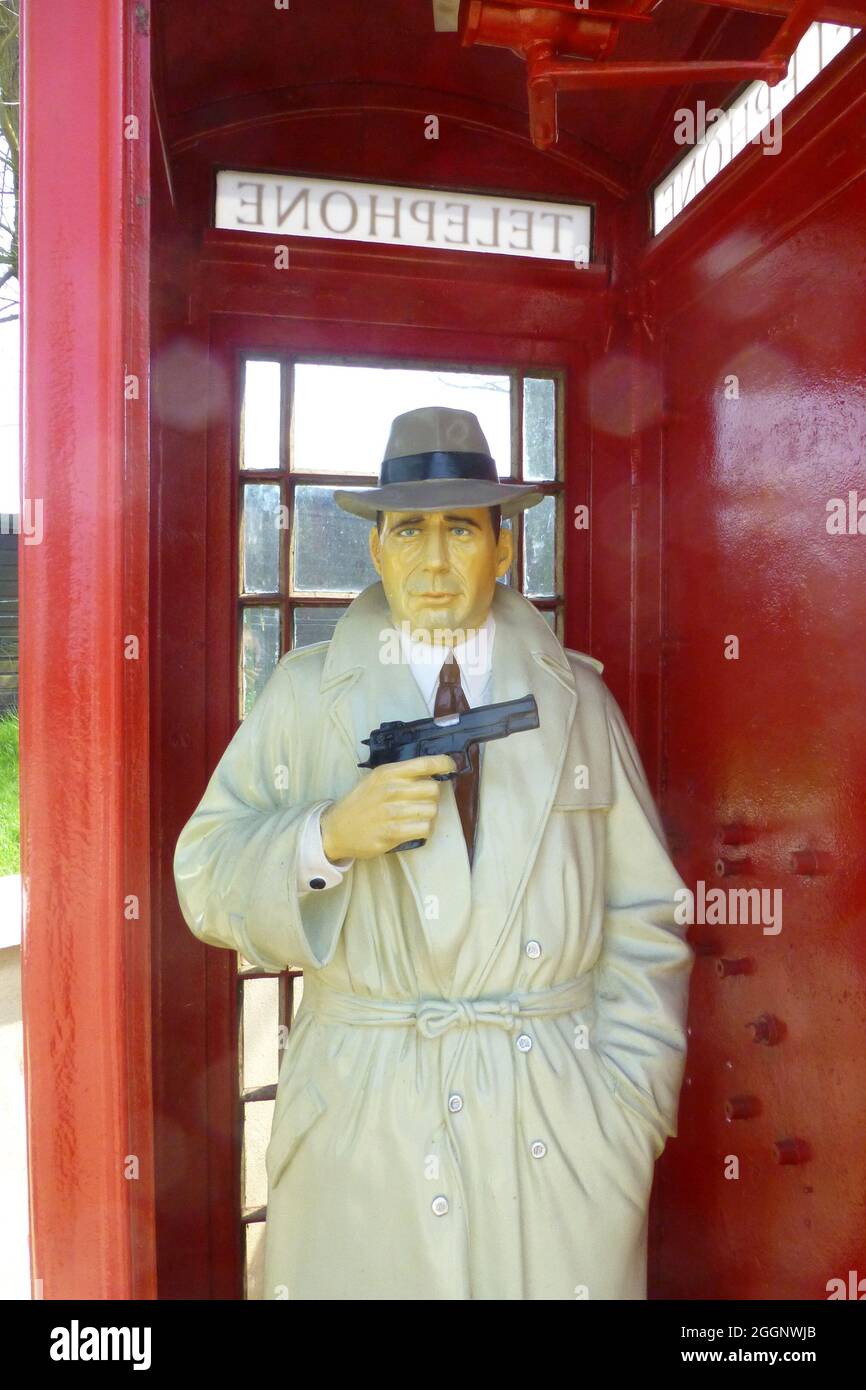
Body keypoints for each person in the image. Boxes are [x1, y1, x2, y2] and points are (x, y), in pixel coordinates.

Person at [173, 405, 694, 1300]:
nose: (436, 558)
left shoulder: (583, 704)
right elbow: (201, 877)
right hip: (365, 1120)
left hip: (555, 1125)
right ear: (376, 550)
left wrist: (627, 1112)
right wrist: (326, 837)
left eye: (462, 528)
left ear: (503, 546)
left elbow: (645, 918)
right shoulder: (306, 697)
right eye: (408, 530)